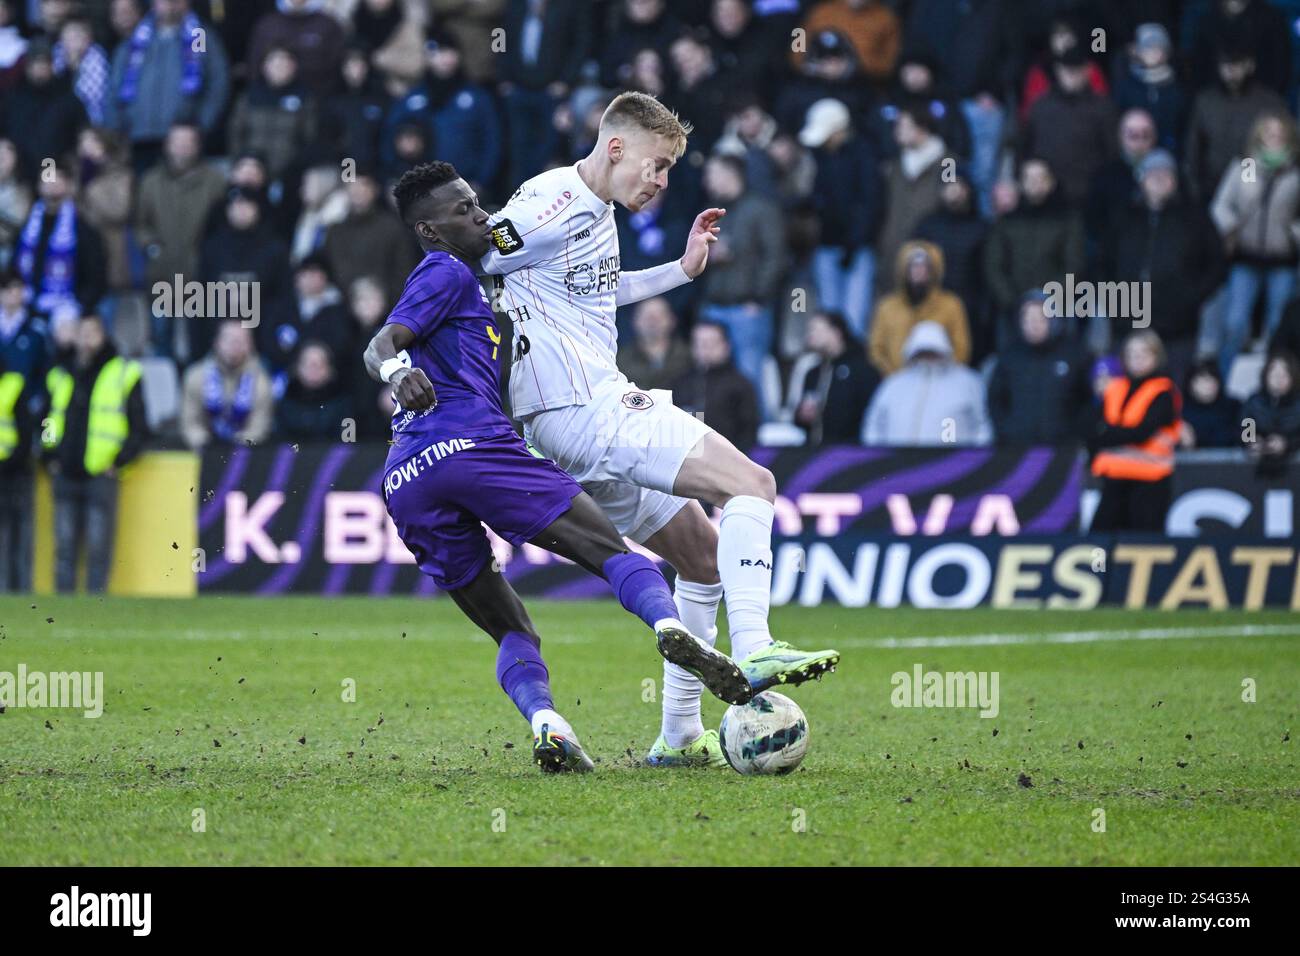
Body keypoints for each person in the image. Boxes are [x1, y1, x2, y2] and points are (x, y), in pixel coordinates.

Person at [480, 92, 840, 768]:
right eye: (659, 164)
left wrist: (680, 270)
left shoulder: (594, 211)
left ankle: (678, 737)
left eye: (671, 167)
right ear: (616, 148)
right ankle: (757, 643)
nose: (663, 180)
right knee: (752, 483)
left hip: (567, 427)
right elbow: (480, 252)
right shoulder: (555, 202)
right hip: (588, 406)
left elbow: (591, 291)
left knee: (701, 555)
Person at [365, 161, 754, 773]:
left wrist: (678, 270)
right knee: (615, 555)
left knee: (513, 630)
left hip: (407, 478)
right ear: (431, 231)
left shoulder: (486, 278)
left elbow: (592, 285)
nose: (481, 215)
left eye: (478, 201)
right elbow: (379, 344)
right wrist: (396, 371)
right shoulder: (442, 269)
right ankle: (667, 625)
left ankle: (550, 724)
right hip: (476, 448)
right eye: (463, 210)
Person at [43, 313, 147, 592]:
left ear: (104, 336)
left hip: (101, 472)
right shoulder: (60, 373)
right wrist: (50, 455)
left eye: (93, 332)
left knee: (98, 547)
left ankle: (95, 605)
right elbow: (49, 419)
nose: (86, 338)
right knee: (63, 547)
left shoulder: (123, 372)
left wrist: (118, 462)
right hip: (65, 470)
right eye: (82, 332)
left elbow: (139, 425)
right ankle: (62, 608)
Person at [1105, 149, 1225, 388]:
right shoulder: (1123, 217)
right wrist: (1113, 299)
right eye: (1152, 173)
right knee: (1124, 394)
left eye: (1165, 174)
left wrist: (1192, 297)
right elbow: (1103, 262)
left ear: (1175, 181)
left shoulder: (1195, 217)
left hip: (1177, 326)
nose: (1159, 179)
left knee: (1172, 393)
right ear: (1141, 179)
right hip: (1127, 322)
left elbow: (1216, 264)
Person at [1209, 112, 1300, 376]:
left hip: (1282, 260)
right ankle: (1225, 379)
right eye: (1268, 132)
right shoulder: (1248, 167)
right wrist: (1231, 227)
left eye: (1279, 133)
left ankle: (1271, 380)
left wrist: (1293, 233)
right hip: (1246, 257)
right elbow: (1223, 204)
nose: (1274, 138)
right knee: (1236, 322)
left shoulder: (1295, 171)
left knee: (1276, 324)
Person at [1087, 330, 1182, 533]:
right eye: (1131, 354)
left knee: (1144, 546)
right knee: (1098, 542)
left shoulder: (1163, 390)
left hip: (1150, 480)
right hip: (1114, 479)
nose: (1136, 360)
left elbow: (1142, 432)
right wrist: (1109, 433)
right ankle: (1094, 567)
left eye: (1143, 354)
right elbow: (1091, 428)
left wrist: (1109, 433)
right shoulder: (1115, 387)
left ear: (1156, 356)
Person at [863, 320, 990, 446]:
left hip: (953, 462)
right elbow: (874, 424)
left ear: (944, 350)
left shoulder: (966, 382)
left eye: (933, 352)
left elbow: (982, 426)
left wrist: (974, 459)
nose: (928, 357)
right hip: (898, 462)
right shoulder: (894, 384)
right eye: (922, 352)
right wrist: (878, 456)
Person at [986, 293, 1091, 445]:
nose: (1033, 325)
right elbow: (995, 400)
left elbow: (1087, 400)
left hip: (1062, 450)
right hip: (1017, 449)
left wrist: (1074, 434)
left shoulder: (1074, 355)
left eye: (1040, 319)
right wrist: (1006, 432)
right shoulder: (1009, 357)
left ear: (1054, 320)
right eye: (1027, 320)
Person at [869, 240, 969, 376]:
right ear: (904, 269)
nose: (919, 271)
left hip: (939, 383)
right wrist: (893, 376)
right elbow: (876, 349)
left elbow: (961, 348)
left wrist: (945, 376)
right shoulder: (887, 307)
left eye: (924, 266)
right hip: (896, 382)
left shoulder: (951, 305)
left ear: (933, 270)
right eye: (914, 266)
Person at [179, 319, 274, 450]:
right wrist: (205, 444)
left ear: (250, 345)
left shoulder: (261, 382)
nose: (234, 346)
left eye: (240, 341)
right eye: (229, 340)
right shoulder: (195, 376)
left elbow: (259, 428)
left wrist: (234, 447)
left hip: (244, 454)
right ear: (217, 343)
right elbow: (190, 423)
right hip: (203, 451)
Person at [670, 321, 759, 452]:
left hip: (728, 458)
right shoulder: (679, 382)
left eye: (711, 342)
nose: (705, 348)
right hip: (687, 459)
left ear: (726, 346)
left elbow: (749, 431)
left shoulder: (741, 385)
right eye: (699, 343)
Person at [794, 310, 878, 446]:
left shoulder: (861, 371)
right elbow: (801, 419)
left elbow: (870, 416)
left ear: (836, 333)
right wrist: (801, 416)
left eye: (815, 330)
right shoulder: (812, 373)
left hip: (849, 454)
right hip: (812, 454)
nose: (810, 335)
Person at [0, 337, 36, 591]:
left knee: (19, 538)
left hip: (16, 474)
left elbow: (26, 433)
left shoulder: (14, 384)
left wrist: (11, 463)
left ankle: (21, 593)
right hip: (11, 471)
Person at [276, 340, 353, 441]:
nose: (313, 369)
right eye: (308, 364)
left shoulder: (344, 406)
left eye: (320, 364)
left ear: (330, 370)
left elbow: (348, 446)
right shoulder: (285, 405)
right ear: (297, 368)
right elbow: (278, 446)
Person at [1241, 350, 1300, 479]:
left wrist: (1287, 444)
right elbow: (1246, 425)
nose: (1279, 379)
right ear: (1266, 376)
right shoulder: (1254, 401)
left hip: (1293, 472)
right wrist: (1252, 441)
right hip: (1257, 472)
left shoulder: (1297, 404)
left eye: (1284, 375)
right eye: (1274, 374)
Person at [615, 296, 690, 391]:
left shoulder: (689, 356)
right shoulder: (620, 360)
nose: (652, 322)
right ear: (635, 321)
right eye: (647, 317)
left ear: (672, 320)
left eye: (658, 316)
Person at [1181, 359, 1240, 450]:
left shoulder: (1234, 406)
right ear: (1190, 383)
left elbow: (1250, 421)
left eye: (1213, 379)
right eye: (1203, 379)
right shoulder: (1179, 410)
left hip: (1231, 461)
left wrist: (1250, 439)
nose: (1209, 384)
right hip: (1192, 462)